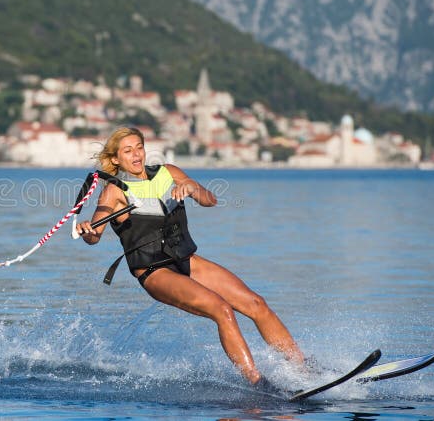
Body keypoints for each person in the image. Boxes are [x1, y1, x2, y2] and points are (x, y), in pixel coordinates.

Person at [75, 127, 304, 385]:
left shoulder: (168, 173)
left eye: (139, 147)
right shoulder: (114, 192)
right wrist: (86, 231)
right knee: (222, 309)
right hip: (154, 271)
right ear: (116, 159)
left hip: (186, 259)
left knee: (256, 303)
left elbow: (210, 200)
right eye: (128, 151)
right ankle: (257, 383)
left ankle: (304, 371)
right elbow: (94, 236)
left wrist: (191, 187)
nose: (136, 154)